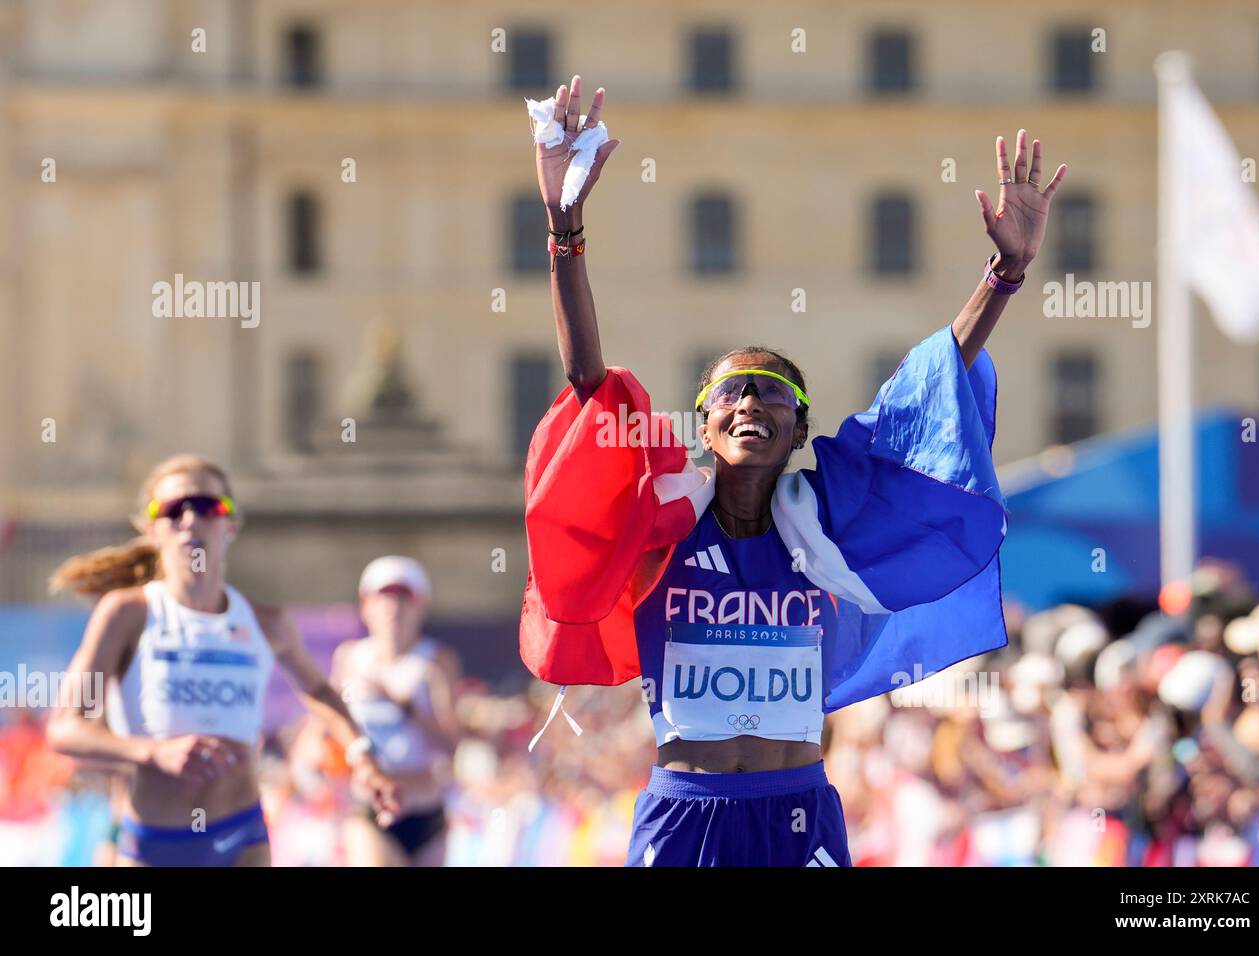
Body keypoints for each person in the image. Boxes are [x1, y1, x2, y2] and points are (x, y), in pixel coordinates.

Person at [519, 75, 1069, 866]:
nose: (751, 403)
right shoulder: (662, 527)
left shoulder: (830, 530)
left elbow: (924, 391)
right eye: (731, 392)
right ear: (703, 425)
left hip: (798, 815)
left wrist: (1004, 276)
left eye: (772, 393)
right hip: (686, 817)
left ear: (801, 428)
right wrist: (563, 224)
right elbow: (590, 389)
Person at [46, 454, 399, 866]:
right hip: (156, 842)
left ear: (231, 524)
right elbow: (64, 728)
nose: (191, 520)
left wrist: (362, 756)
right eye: (174, 510)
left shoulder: (267, 623)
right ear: (151, 530)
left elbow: (317, 688)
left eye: (209, 506)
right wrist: (153, 752)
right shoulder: (126, 614)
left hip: (240, 834)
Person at [331, 556, 461, 866]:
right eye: (384, 599)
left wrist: (404, 707)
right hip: (370, 805)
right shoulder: (350, 658)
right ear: (366, 606)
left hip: (425, 807)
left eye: (404, 599)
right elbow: (330, 721)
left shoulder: (435, 661)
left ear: (421, 607)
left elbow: (452, 743)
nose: (393, 609)